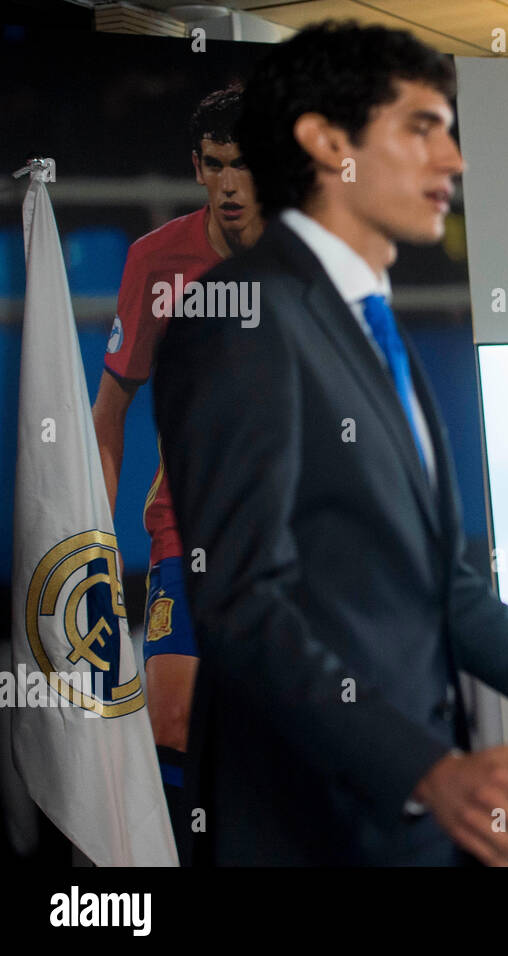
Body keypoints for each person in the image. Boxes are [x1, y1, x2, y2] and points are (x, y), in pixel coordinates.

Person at [152, 21, 508, 867]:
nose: (453, 161)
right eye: (422, 127)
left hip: (408, 832)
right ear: (326, 141)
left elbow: (451, 599)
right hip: (303, 831)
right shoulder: (245, 314)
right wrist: (429, 770)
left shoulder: (375, 329)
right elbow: (242, 606)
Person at [90, 84, 264, 863]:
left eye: (245, 166)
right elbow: (108, 410)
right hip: (185, 533)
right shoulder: (154, 262)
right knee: (170, 719)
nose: (230, 185)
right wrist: (95, 537)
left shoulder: (316, 259)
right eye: (216, 165)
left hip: (291, 536)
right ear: (197, 167)